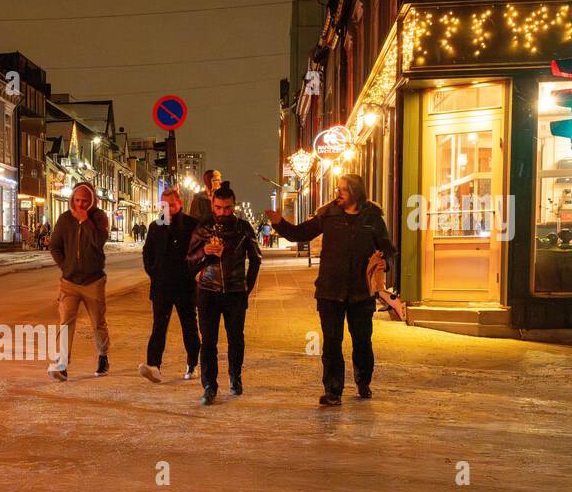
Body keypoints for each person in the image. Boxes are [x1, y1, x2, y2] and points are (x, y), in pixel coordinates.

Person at [265, 173, 396, 406]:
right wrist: (279, 222)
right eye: (338, 189)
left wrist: (385, 260)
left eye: (342, 190)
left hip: (360, 292)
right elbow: (300, 234)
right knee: (332, 342)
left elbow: (387, 247)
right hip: (330, 290)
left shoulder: (373, 218)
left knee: (362, 341)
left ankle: (363, 380)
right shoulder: (328, 214)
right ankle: (333, 390)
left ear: (355, 193)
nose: (338, 193)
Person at [187, 182, 261, 405]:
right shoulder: (203, 228)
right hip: (208, 291)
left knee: (236, 339)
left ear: (234, 206)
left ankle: (235, 376)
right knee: (208, 341)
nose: (222, 213)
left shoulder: (244, 228)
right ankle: (209, 385)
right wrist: (203, 251)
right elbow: (189, 260)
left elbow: (256, 259)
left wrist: (246, 287)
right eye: (218, 208)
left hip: (235, 292)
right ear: (212, 205)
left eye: (227, 208)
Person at [48, 182, 110, 381]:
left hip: (94, 281)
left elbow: (99, 242)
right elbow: (55, 247)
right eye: (77, 200)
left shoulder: (99, 218)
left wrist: (86, 221)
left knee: (98, 322)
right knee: (66, 322)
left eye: (85, 201)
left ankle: (103, 356)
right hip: (70, 282)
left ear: (91, 201)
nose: (81, 204)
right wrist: (66, 267)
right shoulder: (65, 219)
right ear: (72, 200)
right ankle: (62, 363)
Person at [138, 188, 200, 383]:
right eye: (164, 205)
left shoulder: (191, 225)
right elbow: (147, 252)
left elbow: (198, 252)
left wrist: (192, 271)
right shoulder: (156, 226)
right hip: (162, 286)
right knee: (159, 326)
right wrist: (154, 272)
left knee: (189, 326)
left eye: (171, 205)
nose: (168, 209)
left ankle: (192, 363)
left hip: (185, 285)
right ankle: (153, 365)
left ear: (179, 203)